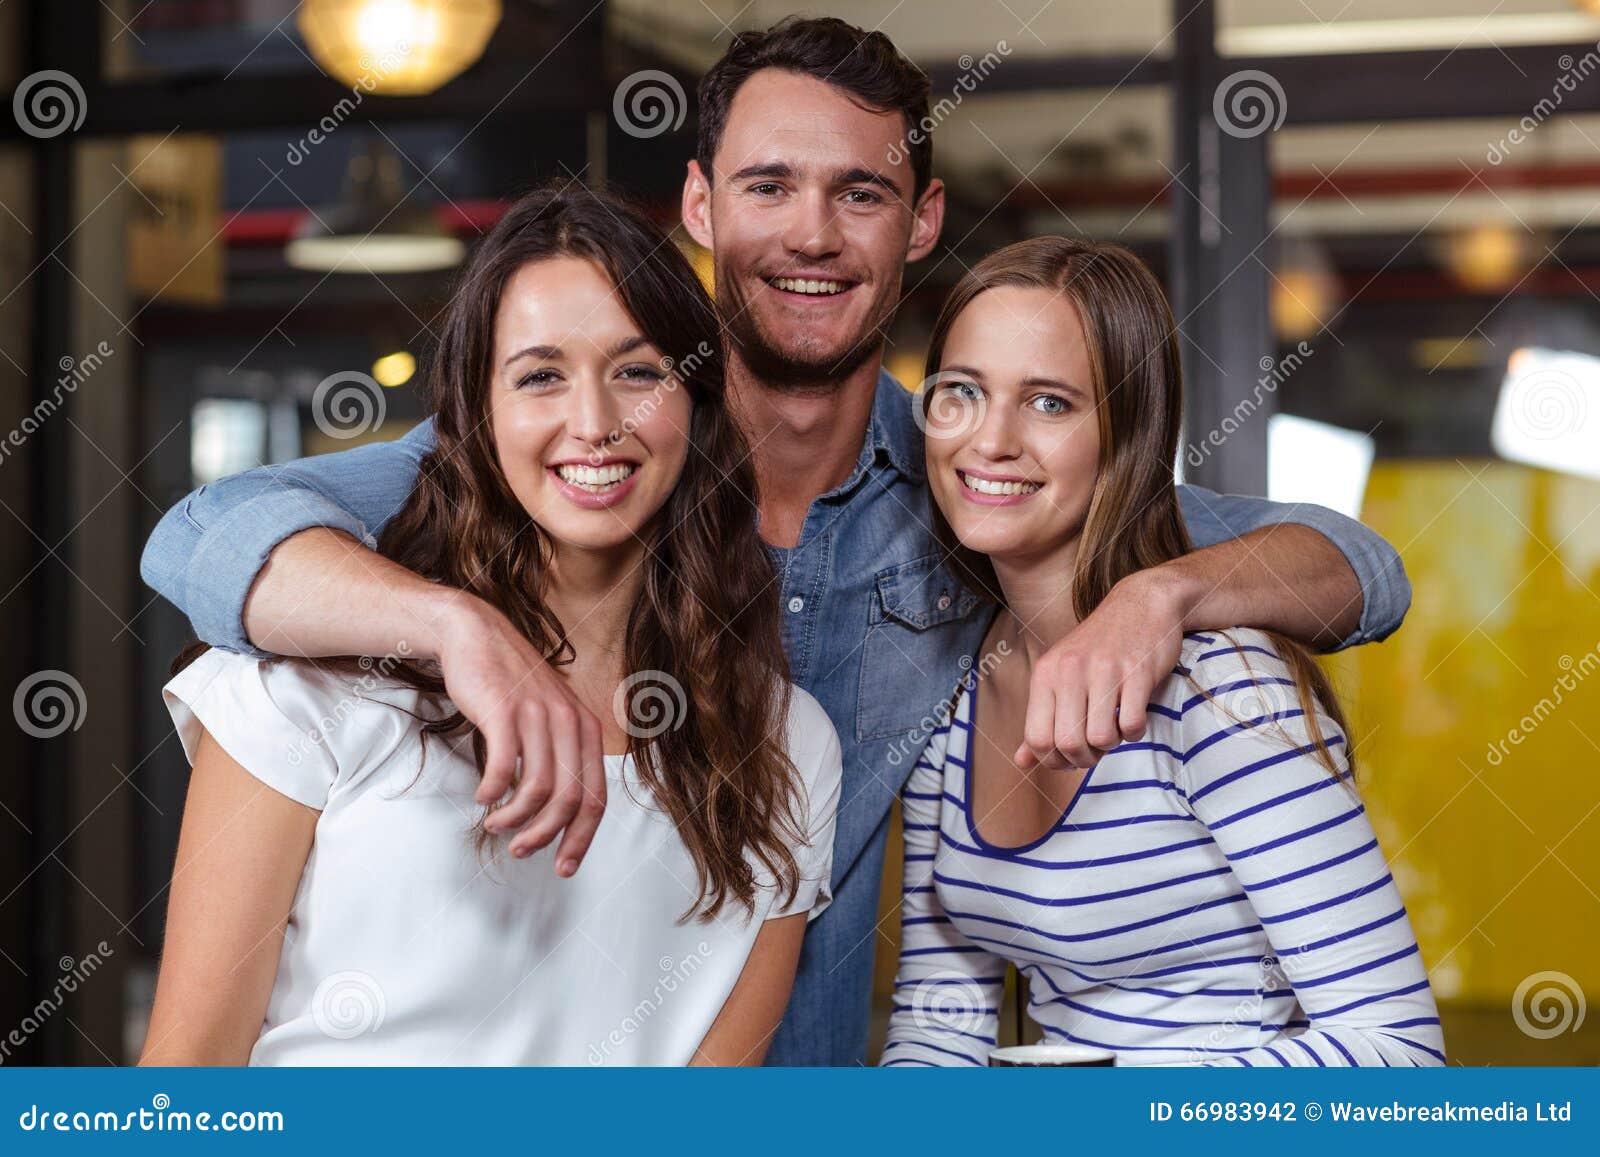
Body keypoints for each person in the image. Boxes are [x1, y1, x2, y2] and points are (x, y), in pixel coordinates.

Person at [140, 18, 1412, 1066]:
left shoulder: (980, 488)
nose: (810, 233)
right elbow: (206, 531)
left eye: (858, 192)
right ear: (699, 202)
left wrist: (1165, 597)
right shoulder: (586, 451)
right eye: (766, 186)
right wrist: (452, 623)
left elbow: (1356, 564)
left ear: (919, 222)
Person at [138, 185, 841, 1066]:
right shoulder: (303, 687)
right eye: (541, 375)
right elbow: (182, 1083)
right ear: (475, 413)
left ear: (696, 401)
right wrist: (460, 627)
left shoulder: (783, 741)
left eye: (637, 370)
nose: (593, 423)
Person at [881, 237, 1440, 1067]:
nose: (989, 441)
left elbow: (1398, 1054)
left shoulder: (1222, 687)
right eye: (962, 392)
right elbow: (938, 1027)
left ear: (1128, 435)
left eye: (1049, 403)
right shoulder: (954, 688)